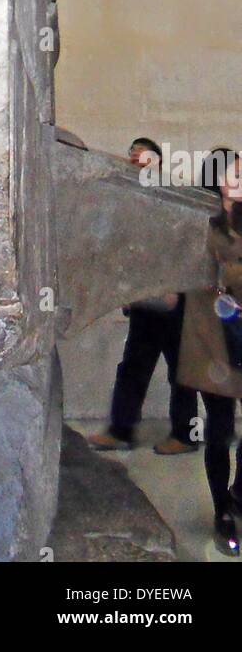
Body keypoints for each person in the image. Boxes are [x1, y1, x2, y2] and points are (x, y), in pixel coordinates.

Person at [88, 136, 199, 457]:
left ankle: (185, 433)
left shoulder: (171, 196)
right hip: (144, 302)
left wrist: (174, 288)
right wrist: (126, 290)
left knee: (181, 371)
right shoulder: (130, 199)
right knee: (134, 367)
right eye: (132, 154)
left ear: (158, 160)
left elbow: (183, 247)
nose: (136, 158)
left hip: (172, 302)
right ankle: (121, 429)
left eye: (143, 154)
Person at [178, 149, 242, 556]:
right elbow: (193, 276)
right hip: (211, 338)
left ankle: (238, 494)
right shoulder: (201, 225)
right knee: (219, 428)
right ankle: (222, 512)